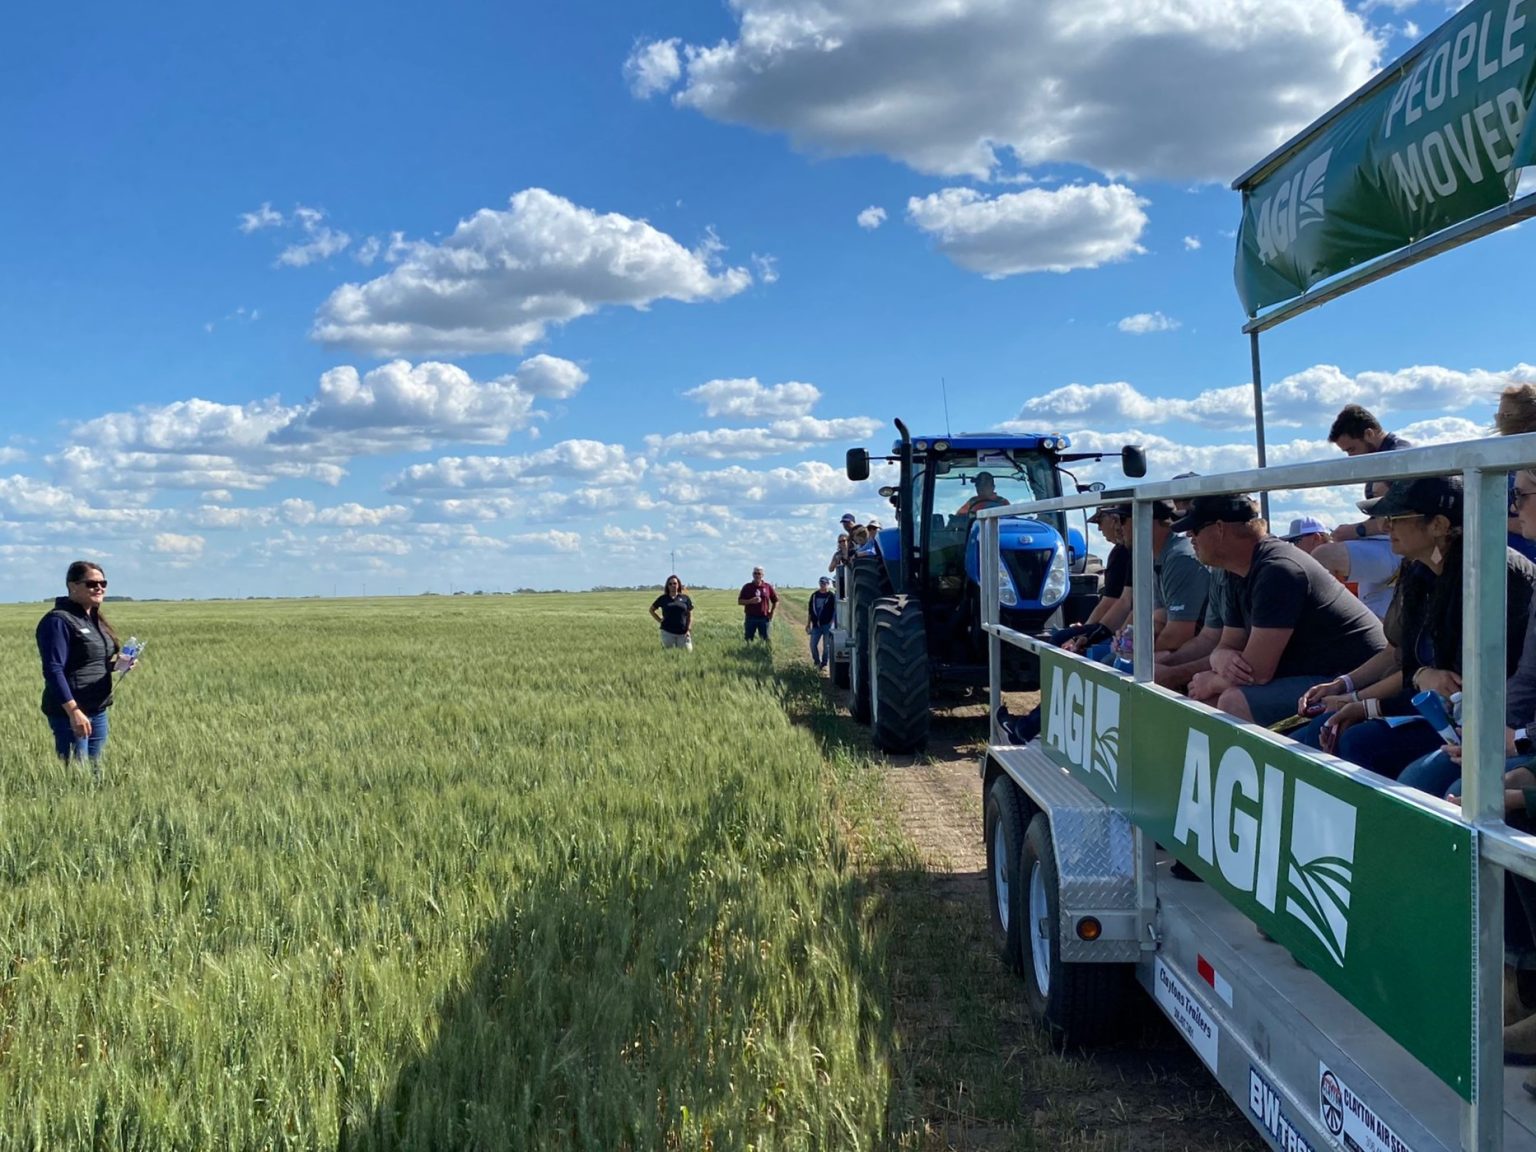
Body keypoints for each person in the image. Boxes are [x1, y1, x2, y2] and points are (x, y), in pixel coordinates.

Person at [1297, 477, 1536, 778]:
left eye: (1396, 518)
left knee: (1367, 746)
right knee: (1328, 728)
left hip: (1493, 720)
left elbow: (1470, 682)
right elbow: (1409, 661)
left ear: (1438, 525)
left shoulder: (1491, 573)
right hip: (1443, 712)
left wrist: (1365, 705)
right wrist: (1361, 690)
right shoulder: (1419, 569)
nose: (1385, 527)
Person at [1178, 494, 1388, 726]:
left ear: (1219, 528)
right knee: (1209, 700)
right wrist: (1220, 657)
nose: (1189, 537)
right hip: (1317, 675)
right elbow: (1228, 645)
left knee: (1232, 701)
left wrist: (1213, 681)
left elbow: (1257, 673)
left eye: (1194, 530)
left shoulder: (1278, 570)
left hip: (1355, 679)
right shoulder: (1236, 570)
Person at [1312, 405, 1409, 618]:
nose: (1351, 458)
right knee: (1377, 609)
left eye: (1352, 449)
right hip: (1393, 545)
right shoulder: (1387, 458)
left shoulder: (1398, 459)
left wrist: (1355, 531)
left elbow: (1401, 519)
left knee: (1323, 556)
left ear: (1369, 434)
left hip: (1405, 545)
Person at [36, 560, 131, 772]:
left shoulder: (93, 618)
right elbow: (53, 669)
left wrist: (116, 666)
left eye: (103, 583)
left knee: (95, 772)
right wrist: (73, 711)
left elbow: (89, 662)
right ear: (72, 586)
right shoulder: (58, 621)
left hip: (97, 709)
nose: (99, 588)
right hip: (71, 712)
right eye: (91, 583)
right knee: (76, 774)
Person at [649, 575, 694, 651]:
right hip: (668, 632)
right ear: (667, 586)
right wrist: (660, 620)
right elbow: (651, 610)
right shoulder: (663, 598)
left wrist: (688, 628)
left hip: (683, 633)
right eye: (670, 584)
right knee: (669, 655)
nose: (673, 585)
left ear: (678, 585)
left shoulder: (685, 598)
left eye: (675, 583)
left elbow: (690, 614)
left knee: (688, 653)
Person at [738, 566, 778, 641]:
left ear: (762, 575)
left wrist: (772, 612)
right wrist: (750, 601)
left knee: (765, 640)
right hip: (750, 618)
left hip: (764, 618)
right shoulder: (747, 587)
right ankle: (748, 652)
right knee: (748, 639)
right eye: (755, 573)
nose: (757, 575)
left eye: (759, 573)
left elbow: (775, 600)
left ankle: (763, 652)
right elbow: (740, 601)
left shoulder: (767, 587)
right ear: (752, 574)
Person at [807, 576, 837, 669]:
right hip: (816, 625)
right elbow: (810, 611)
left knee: (826, 646)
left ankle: (824, 663)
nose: (822, 585)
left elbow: (835, 611)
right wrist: (808, 624)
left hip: (827, 625)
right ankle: (817, 661)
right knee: (812, 644)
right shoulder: (814, 595)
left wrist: (832, 622)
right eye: (821, 583)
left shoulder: (831, 596)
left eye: (824, 583)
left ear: (828, 584)